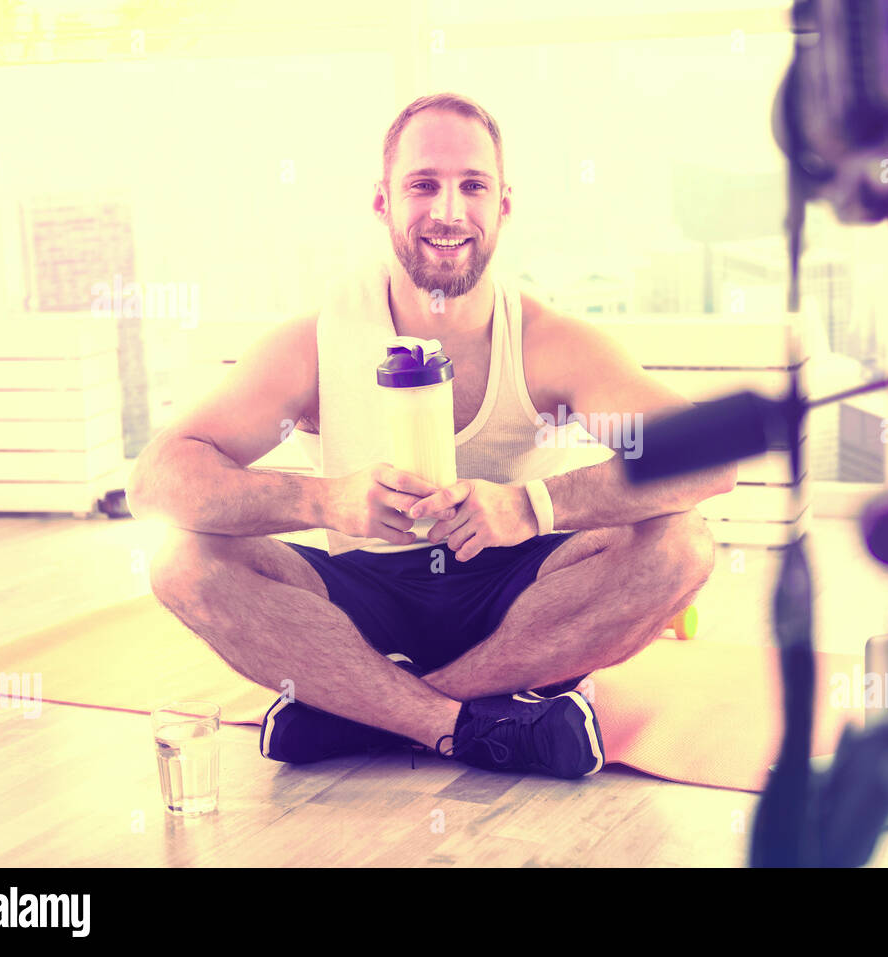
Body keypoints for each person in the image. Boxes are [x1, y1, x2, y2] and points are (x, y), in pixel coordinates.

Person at [128, 92, 736, 779]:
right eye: (423, 184)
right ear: (383, 201)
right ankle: (463, 724)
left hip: (522, 597)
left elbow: (711, 456)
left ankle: (365, 709)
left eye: (472, 185)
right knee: (182, 561)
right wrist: (326, 501)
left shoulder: (545, 340)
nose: (448, 211)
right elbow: (155, 479)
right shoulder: (317, 343)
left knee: (682, 543)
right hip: (363, 598)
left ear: (503, 204)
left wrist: (529, 506)